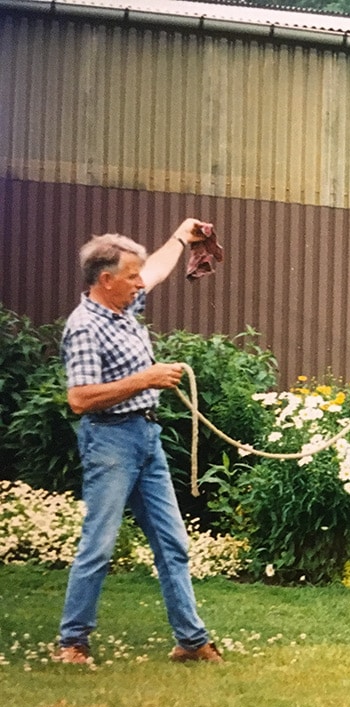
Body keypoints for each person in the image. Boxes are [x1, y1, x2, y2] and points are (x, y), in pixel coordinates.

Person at [53, 220, 223, 665]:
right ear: (105, 280)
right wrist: (144, 379)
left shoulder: (122, 307)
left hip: (146, 438)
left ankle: (190, 640)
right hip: (109, 441)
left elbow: (159, 270)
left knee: (173, 544)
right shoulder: (85, 326)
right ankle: (72, 642)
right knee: (100, 544)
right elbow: (79, 399)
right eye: (131, 276)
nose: (139, 282)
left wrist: (183, 238)